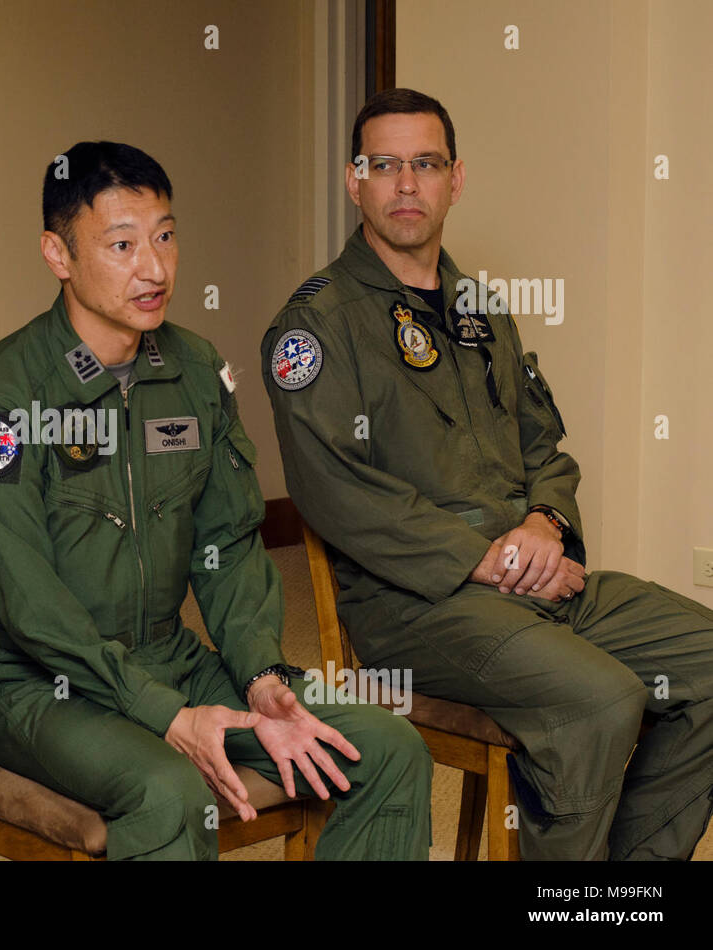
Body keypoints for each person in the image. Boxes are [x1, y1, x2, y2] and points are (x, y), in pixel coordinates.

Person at [0, 141, 432, 861]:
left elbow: (228, 545)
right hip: (42, 689)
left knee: (384, 749)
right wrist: (167, 716)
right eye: (122, 244)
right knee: (171, 793)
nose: (155, 267)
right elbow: (28, 604)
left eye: (165, 236)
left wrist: (261, 676)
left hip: (170, 658)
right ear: (59, 254)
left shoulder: (196, 370)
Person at [261, 88, 713, 860]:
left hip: (535, 584)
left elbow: (547, 449)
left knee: (704, 663)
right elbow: (336, 491)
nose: (407, 183)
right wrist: (487, 559)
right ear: (354, 180)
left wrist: (546, 526)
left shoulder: (481, 309)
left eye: (426, 164)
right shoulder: (317, 325)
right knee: (599, 703)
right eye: (386, 164)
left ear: (455, 179)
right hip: (415, 608)